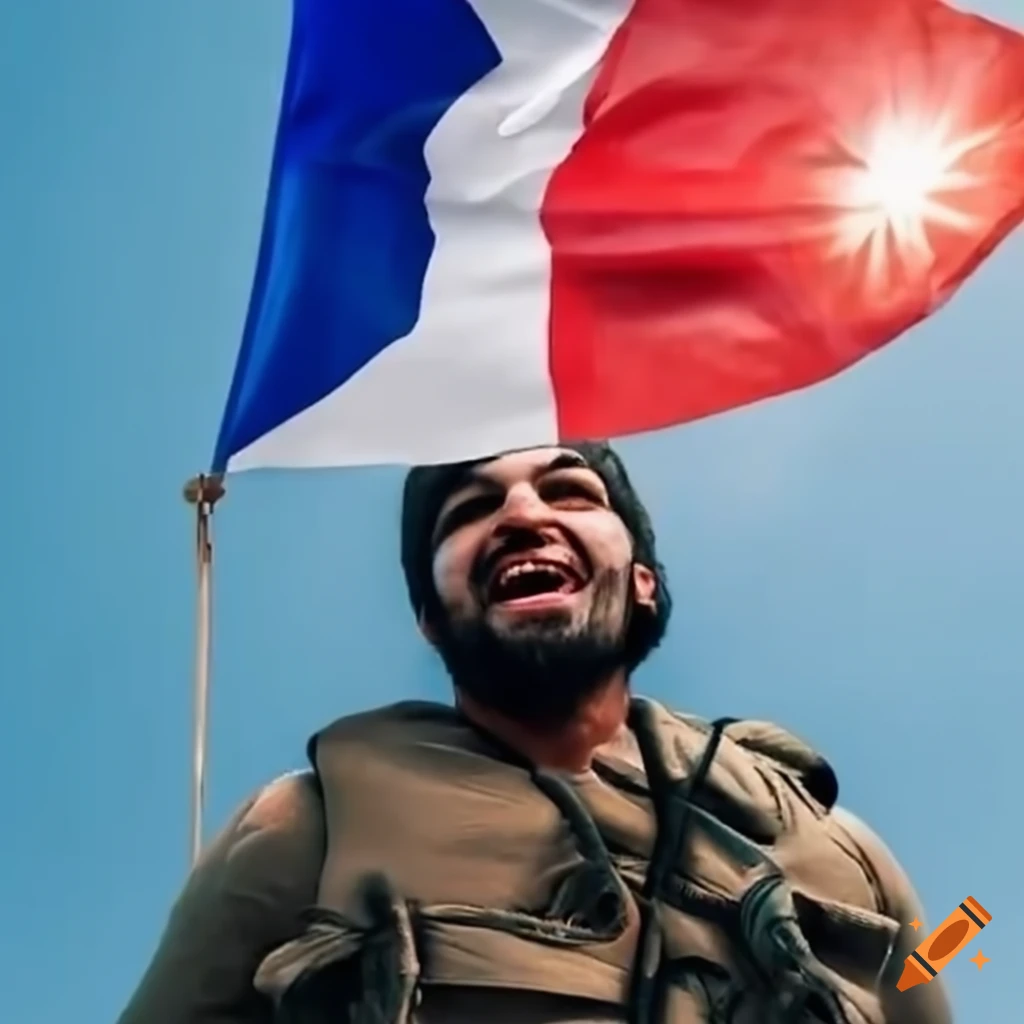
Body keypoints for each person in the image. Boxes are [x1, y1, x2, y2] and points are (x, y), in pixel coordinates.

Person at [118, 442, 952, 1024]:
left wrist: (968, 939)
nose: (522, 513)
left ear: (644, 584)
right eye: (470, 508)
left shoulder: (837, 846)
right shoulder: (305, 829)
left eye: (571, 492)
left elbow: (939, 969)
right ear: (427, 620)